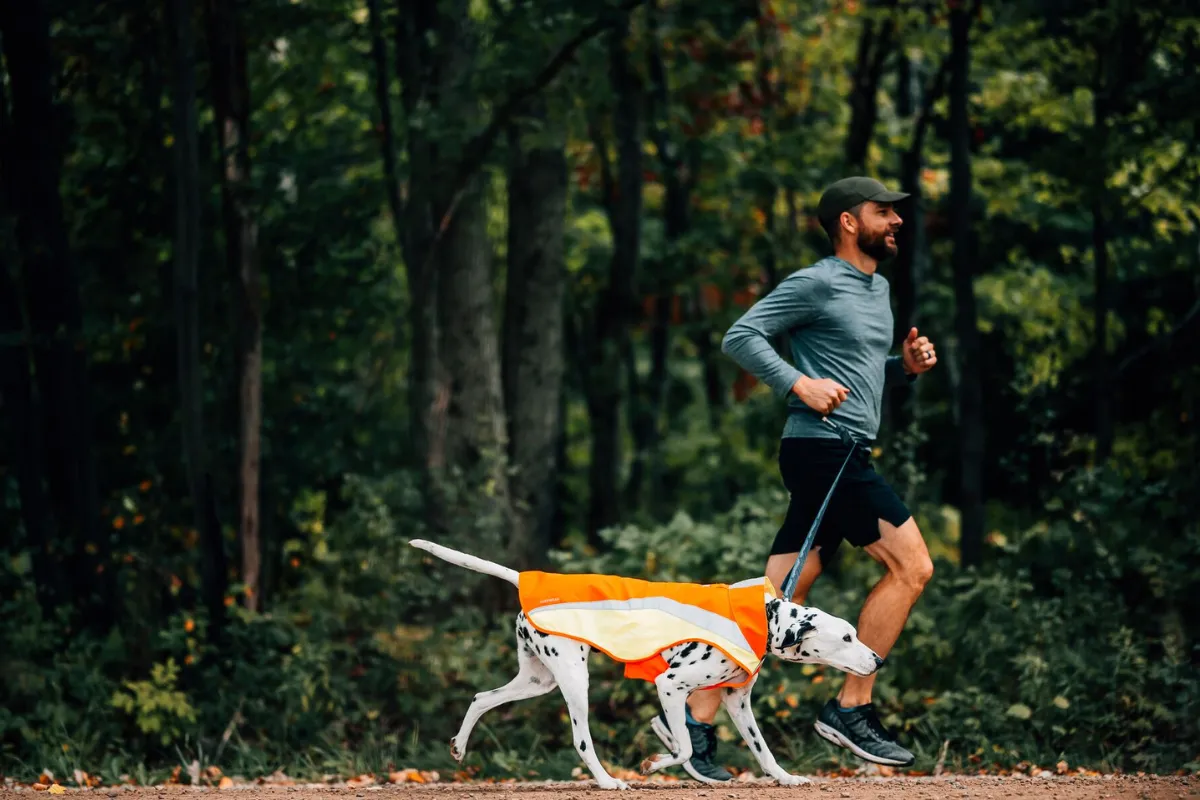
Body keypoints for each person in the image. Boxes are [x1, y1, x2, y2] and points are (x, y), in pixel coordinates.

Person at [648, 176, 938, 780]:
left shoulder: (877, 289)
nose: (896, 221)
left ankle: (694, 722)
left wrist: (901, 368)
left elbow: (854, 370)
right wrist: (797, 384)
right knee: (912, 567)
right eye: (883, 211)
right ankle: (851, 706)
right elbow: (741, 335)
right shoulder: (817, 281)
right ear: (849, 222)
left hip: (838, 450)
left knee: (779, 599)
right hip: (824, 451)